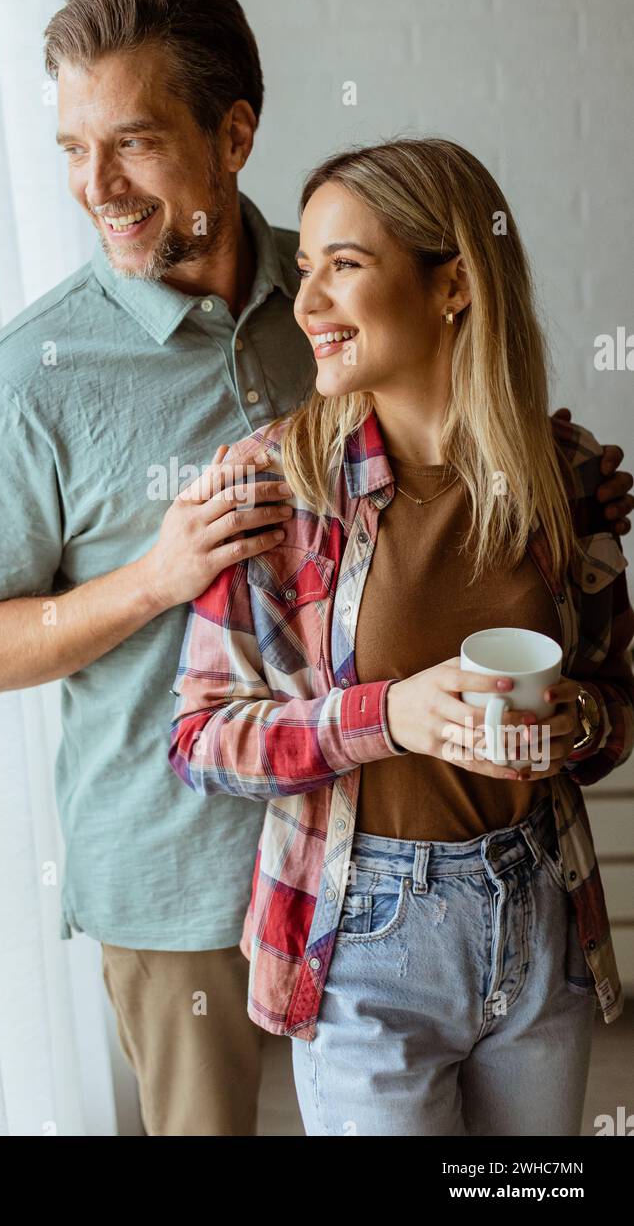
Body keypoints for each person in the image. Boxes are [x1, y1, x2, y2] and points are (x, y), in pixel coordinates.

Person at [0, 0, 632, 1136]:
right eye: (71, 148)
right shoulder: (28, 381)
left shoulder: (324, 294)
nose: (93, 187)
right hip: (177, 878)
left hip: (445, 874)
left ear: (233, 135)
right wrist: (154, 579)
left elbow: (455, 425)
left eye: (133, 143)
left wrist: (563, 497)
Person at [168, 136, 634, 1136]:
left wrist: (577, 721)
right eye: (304, 272)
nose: (305, 304)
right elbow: (200, 740)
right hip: (358, 940)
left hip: (534, 914)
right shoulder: (272, 486)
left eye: (343, 265)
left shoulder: (568, 478)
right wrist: (390, 715)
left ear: (453, 283)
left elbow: (615, 702)